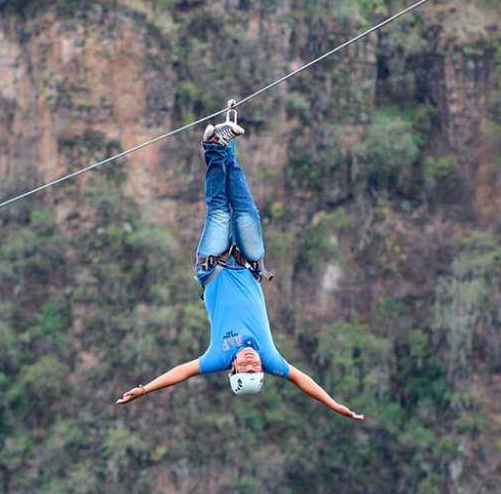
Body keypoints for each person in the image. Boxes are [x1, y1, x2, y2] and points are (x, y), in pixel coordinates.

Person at [116, 118, 364, 420]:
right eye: (255, 367)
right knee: (246, 210)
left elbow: (181, 373)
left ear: (232, 369)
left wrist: (145, 390)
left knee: (219, 210)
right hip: (248, 263)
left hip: (213, 265)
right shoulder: (271, 359)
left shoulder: (218, 356)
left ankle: (213, 148)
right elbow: (302, 381)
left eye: (245, 367)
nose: (251, 360)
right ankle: (224, 145)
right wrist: (334, 405)